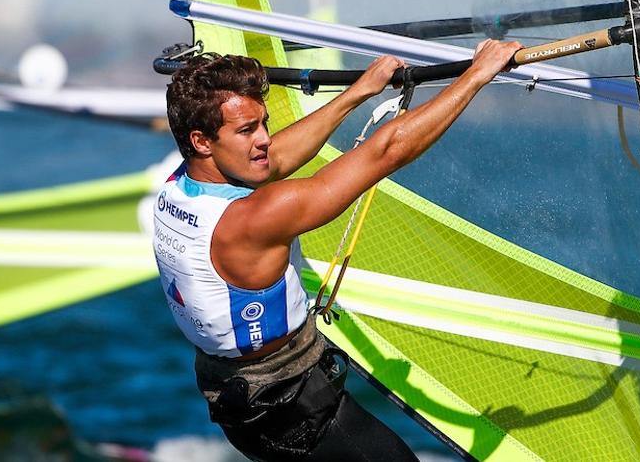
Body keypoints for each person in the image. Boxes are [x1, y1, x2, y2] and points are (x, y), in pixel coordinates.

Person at [155, 40, 520, 461]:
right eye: (246, 130)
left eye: (263, 124)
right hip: (294, 415)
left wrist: (358, 93)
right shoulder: (252, 219)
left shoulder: (181, 187)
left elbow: (274, 159)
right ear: (202, 141)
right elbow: (386, 152)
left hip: (241, 404)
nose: (264, 140)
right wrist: (478, 74)